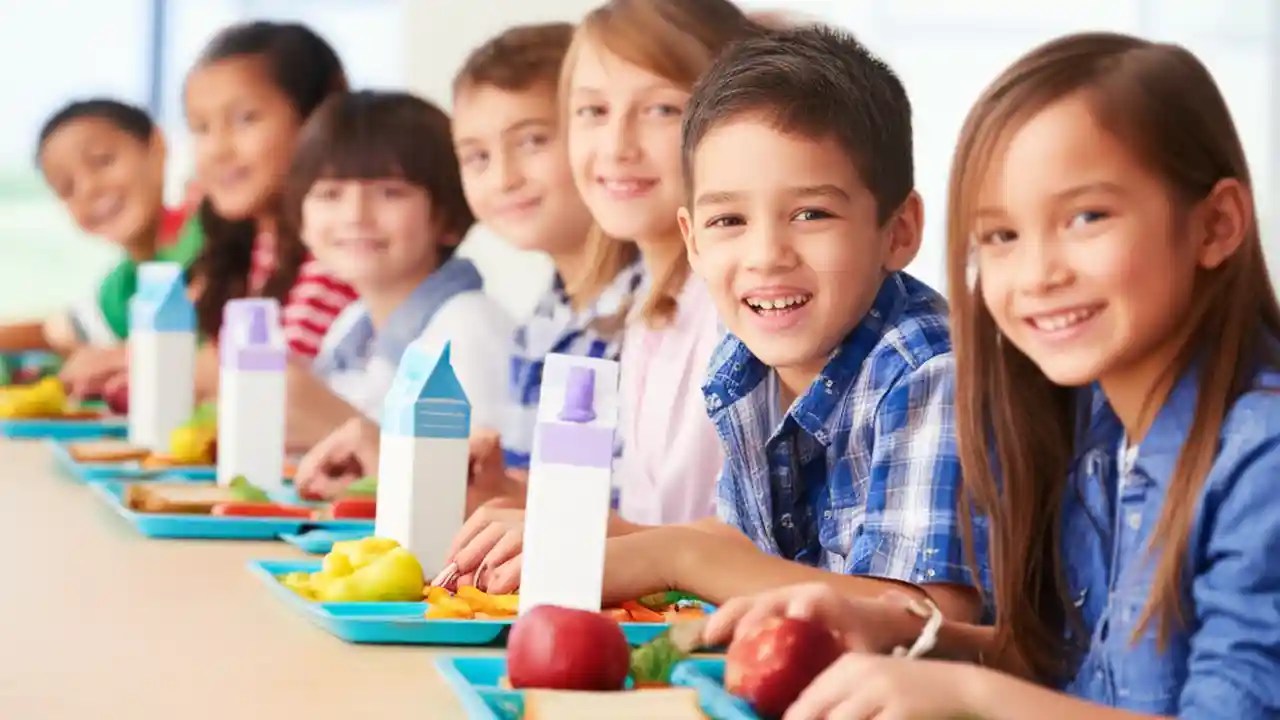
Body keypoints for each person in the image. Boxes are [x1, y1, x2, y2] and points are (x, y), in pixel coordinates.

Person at [702, 32, 1280, 720]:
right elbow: (1072, 672)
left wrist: (970, 694)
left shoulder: (1259, 456)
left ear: (1216, 225)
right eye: (1001, 236)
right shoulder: (1086, 425)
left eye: (1086, 217)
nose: (1038, 274)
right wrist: (907, 632)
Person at [442, 0, 762, 589]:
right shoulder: (648, 304)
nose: (617, 145)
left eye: (662, 109)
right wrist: (517, 499)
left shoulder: (744, 308)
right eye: (592, 111)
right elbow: (652, 526)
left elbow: (741, 546)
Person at [283, 90, 512, 498]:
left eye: (389, 192)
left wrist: (331, 420)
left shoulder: (468, 328)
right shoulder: (351, 322)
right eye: (329, 194)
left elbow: (474, 490)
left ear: (447, 217)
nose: (355, 215)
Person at [181, 21, 358, 412]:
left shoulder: (340, 250)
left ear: (317, 117)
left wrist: (146, 362)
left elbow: (271, 382)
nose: (216, 149)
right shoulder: (258, 242)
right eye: (200, 128)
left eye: (245, 119)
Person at [4, 99, 203, 394]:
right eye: (67, 188)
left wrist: (124, 357)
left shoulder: (209, 236)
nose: (88, 189)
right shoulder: (118, 287)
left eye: (102, 161)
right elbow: (56, 333)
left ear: (157, 146)